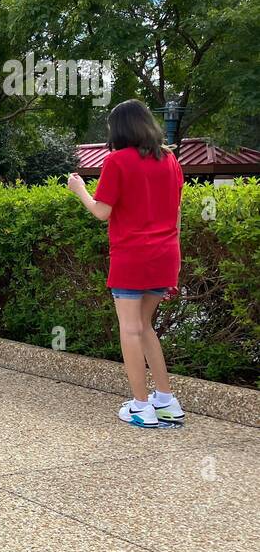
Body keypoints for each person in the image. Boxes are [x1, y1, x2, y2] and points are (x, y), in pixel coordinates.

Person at [67, 99, 186, 428]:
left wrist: (79, 190)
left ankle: (140, 406)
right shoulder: (170, 160)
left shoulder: (117, 161)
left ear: (119, 129)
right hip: (165, 255)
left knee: (130, 329)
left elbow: (102, 211)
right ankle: (166, 401)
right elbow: (176, 214)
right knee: (145, 326)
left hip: (132, 256)